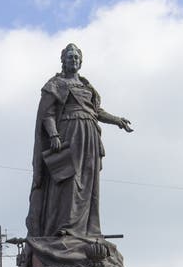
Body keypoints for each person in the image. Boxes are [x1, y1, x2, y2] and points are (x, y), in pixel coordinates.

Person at [26, 43, 133, 240]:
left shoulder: (86, 86)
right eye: (70, 57)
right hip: (69, 133)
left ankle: (88, 228)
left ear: (80, 62)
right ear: (63, 61)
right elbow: (47, 114)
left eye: (76, 58)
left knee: (88, 181)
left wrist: (117, 120)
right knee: (69, 180)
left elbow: (96, 111)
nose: (73, 60)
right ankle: (64, 226)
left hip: (90, 135)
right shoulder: (55, 85)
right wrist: (54, 135)